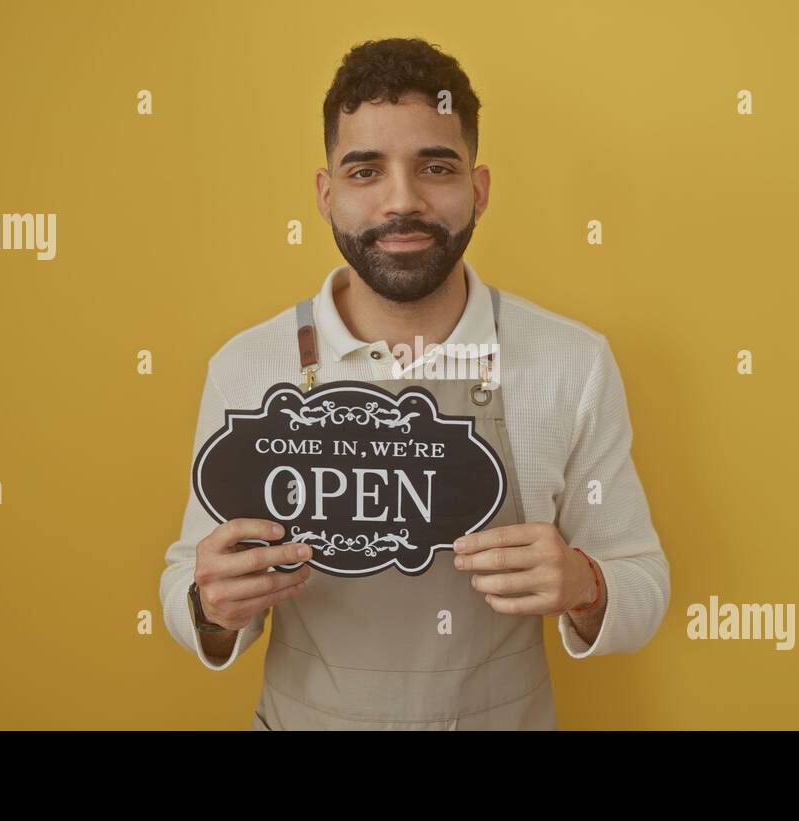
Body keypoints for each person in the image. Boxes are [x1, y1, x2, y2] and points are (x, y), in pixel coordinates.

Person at [159, 37, 670, 729]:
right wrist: (208, 604)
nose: (403, 201)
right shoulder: (248, 367)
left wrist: (585, 583)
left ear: (478, 189)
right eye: (365, 171)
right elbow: (188, 583)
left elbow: (641, 579)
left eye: (435, 166)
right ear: (326, 192)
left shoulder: (570, 364)